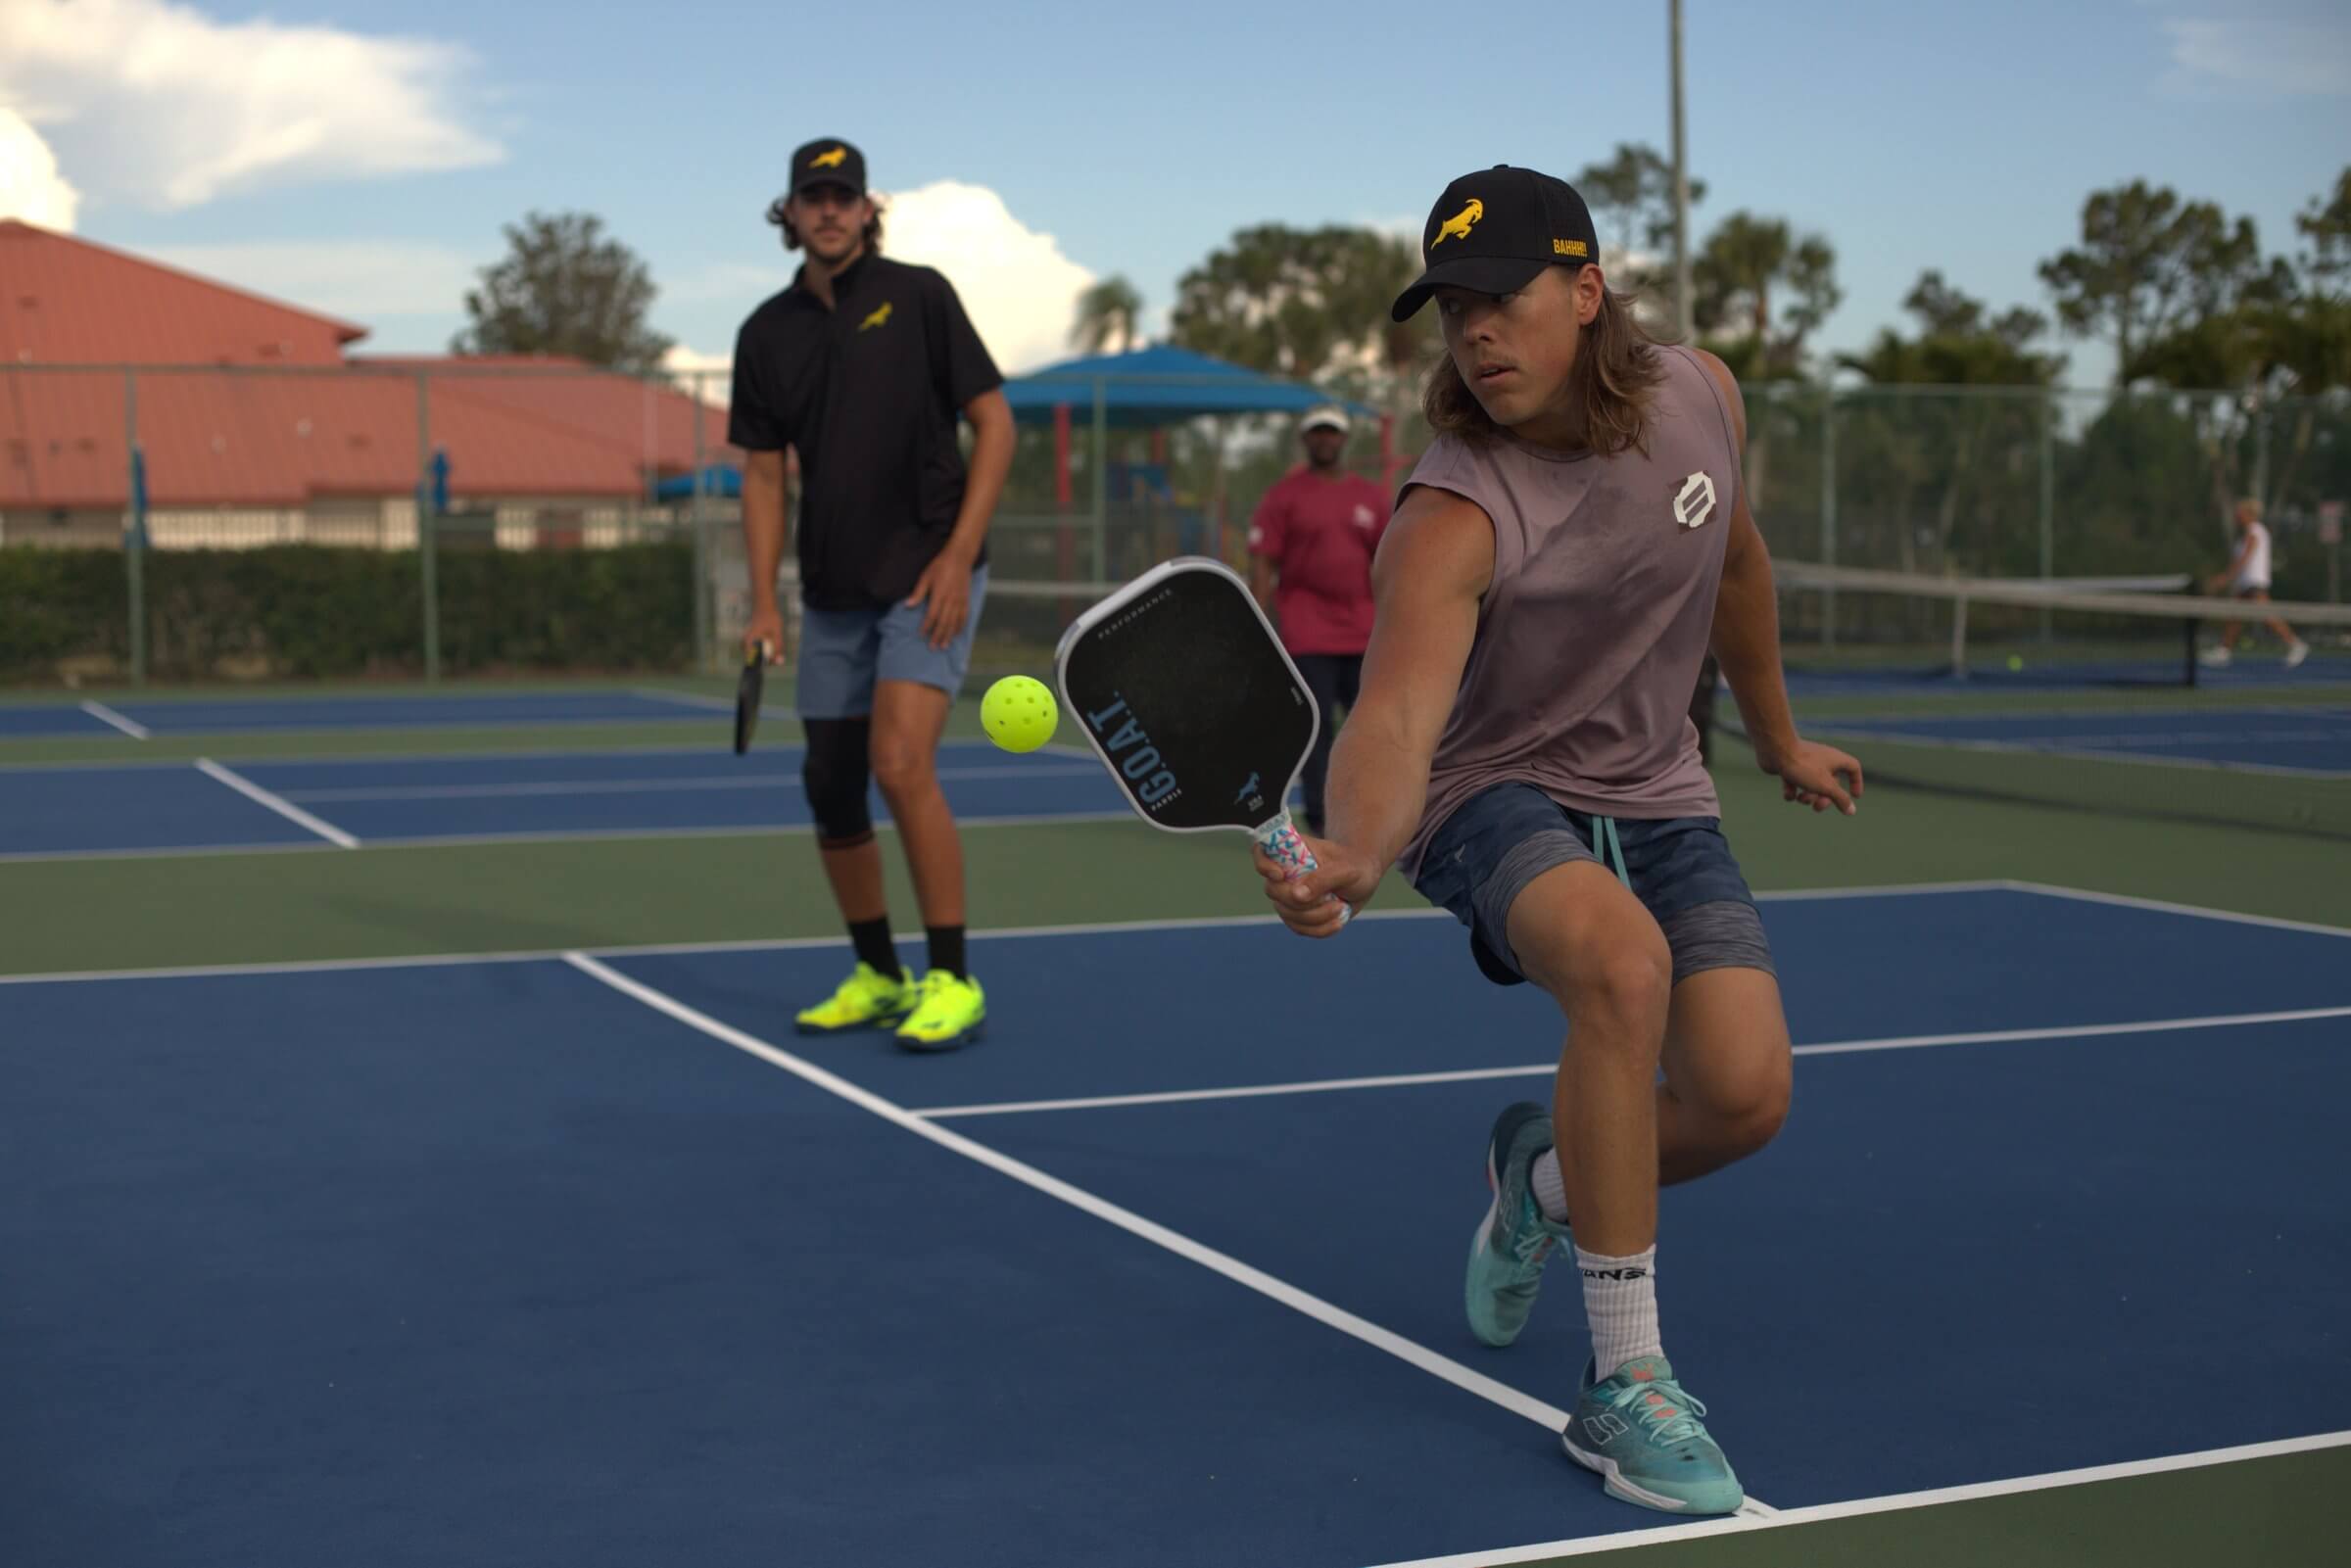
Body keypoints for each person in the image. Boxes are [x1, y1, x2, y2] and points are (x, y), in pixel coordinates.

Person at [1255, 165, 1863, 1517]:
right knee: (1620, 965)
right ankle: (1624, 1385)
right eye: (1450, 306)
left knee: (1745, 1096)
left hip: (1662, 786)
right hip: (1490, 790)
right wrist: (1354, 847)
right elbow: (1401, 709)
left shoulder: (1703, 394)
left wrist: (1776, 738)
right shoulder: (1453, 505)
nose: (1472, 330)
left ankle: (1539, 1173)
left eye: (1500, 297)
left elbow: (1742, 566)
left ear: (1587, 293)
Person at [729, 137, 1015, 1052]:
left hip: (928, 575)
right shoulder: (764, 334)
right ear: (790, 213)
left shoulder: (920, 295)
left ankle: (952, 976)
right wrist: (765, 601)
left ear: (866, 208)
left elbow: (995, 424)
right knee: (830, 786)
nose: (829, 210)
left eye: (843, 196)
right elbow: (766, 477)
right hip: (831, 590)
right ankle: (877, 971)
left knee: (900, 763)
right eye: (813, 197)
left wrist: (957, 554)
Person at [1247, 405, 1392, 835]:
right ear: (1306, 440)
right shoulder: (1283, 496)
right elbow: (1263, 564)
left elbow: (1391, 562)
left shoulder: (1370, 497)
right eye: (1317, 433)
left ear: (1343, 439)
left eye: (1332, 432)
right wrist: (1253, 626)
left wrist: (1396, 621)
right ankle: (1323, 818)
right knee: (1316, 730)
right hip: (1307, 633)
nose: (1325, 439)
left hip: (1364, 633)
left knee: (1376, 727)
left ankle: (1383, 815)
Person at [2199, 498, 2310, 670]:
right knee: (2235, 616)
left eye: (2240, 512)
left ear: (2249, 514)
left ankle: (2295, 644)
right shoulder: (2246, 534)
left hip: (2254, 582)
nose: (2237, 515)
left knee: (2266, 615)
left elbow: (2244, 559)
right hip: (2245, 583)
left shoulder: (2255, 531)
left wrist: (2225, 578)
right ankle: (2223, 651)